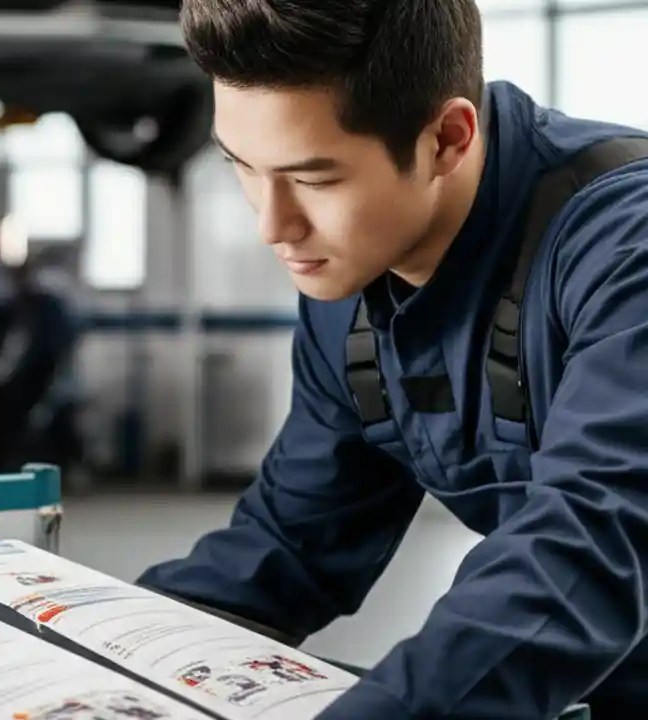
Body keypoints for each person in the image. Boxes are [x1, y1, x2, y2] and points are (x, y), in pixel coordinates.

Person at [137, 2, 648, 718]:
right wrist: (77, 650)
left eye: (314, 180)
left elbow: (587, 552)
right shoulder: (351, 277)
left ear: (447, 138)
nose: (272, 225)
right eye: (242, 168)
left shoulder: (626, 253)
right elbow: (292, 544)